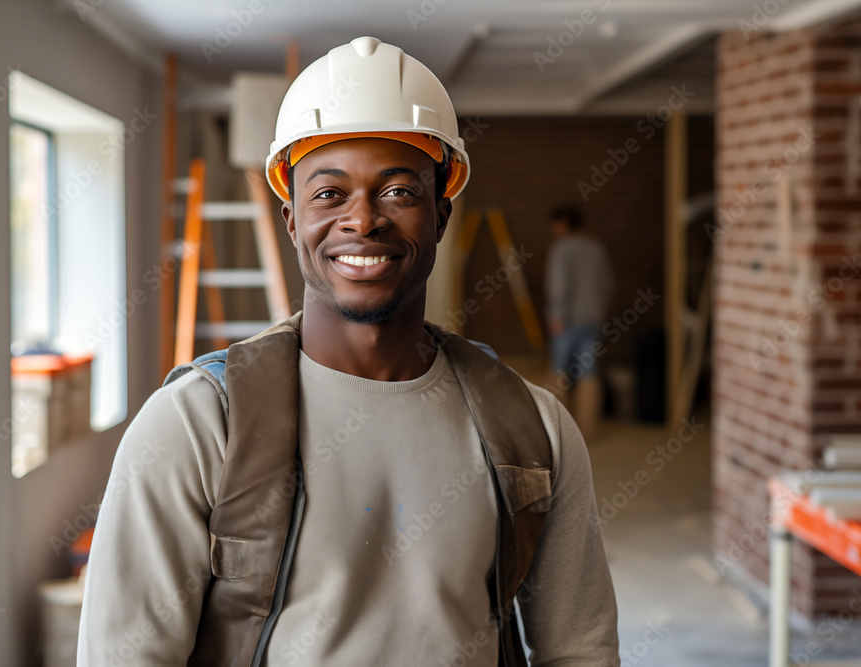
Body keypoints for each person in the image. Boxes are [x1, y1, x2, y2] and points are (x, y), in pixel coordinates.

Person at [78, 37, 619, 667]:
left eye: (398, 192)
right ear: (291, 219)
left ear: (441, 215)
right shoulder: (198, 426)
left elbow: (580, 651)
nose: (363, 220)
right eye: (329, 194)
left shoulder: (534, 430)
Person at [545, 204, 615, 441]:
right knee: (589, 373)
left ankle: (561, 433)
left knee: (559, 374)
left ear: (562, 223)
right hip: (592, 319)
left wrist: (556, 316)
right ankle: (588, 429)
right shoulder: (596, 248)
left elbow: (559, 286)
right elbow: (607, 285)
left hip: (566, 320)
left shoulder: (561, 249)